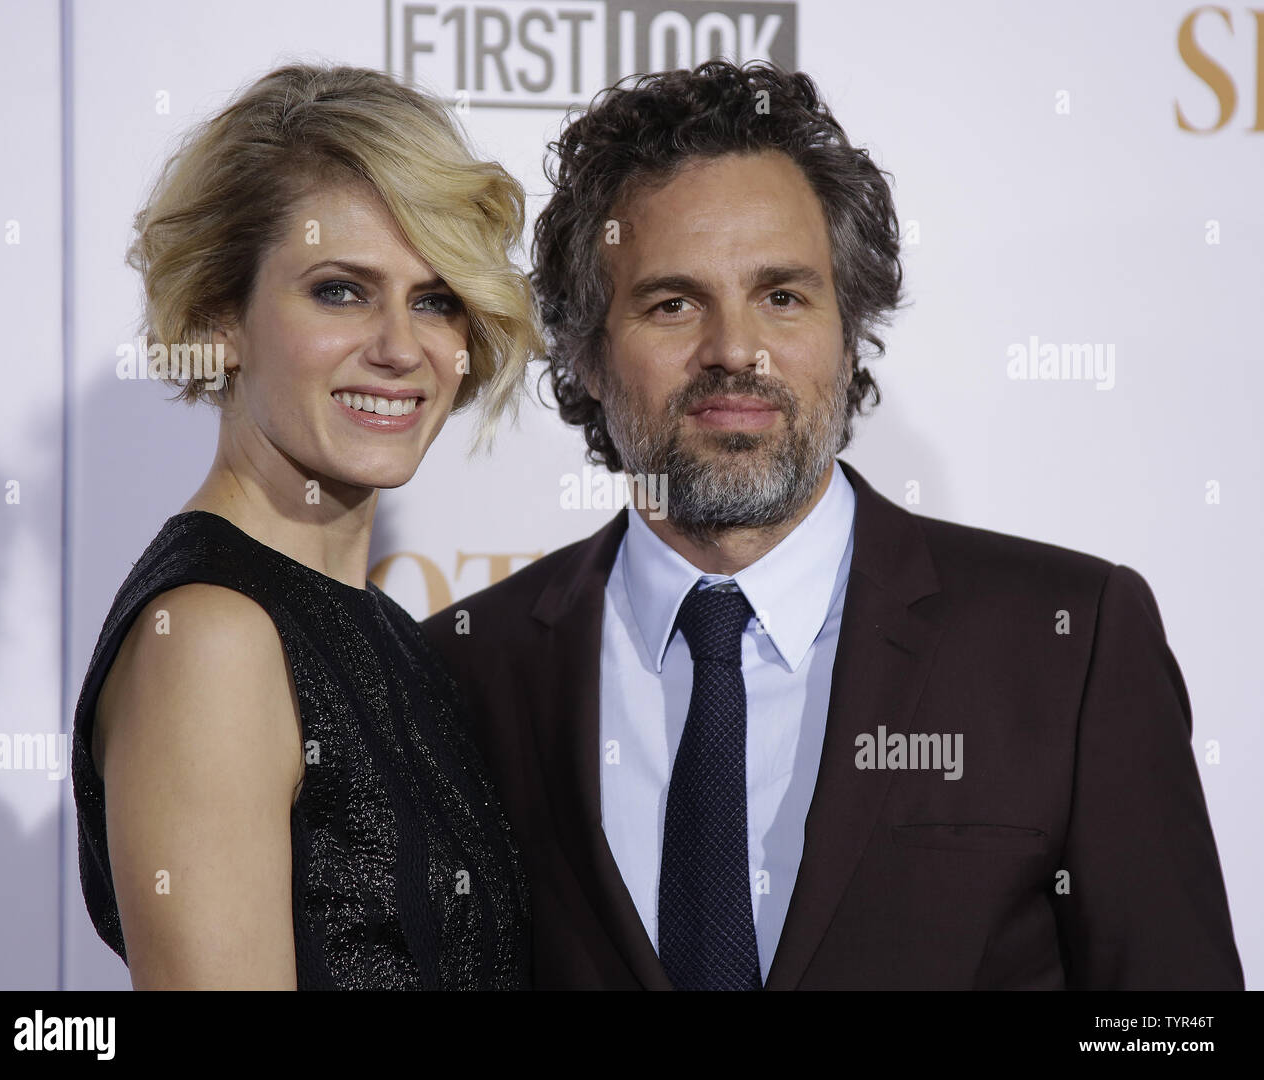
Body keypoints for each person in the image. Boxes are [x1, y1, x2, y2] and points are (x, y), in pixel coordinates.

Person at [422, 60, 1244, 990]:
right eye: (672, 303)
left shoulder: (1068, 641)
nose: (735, 351)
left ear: (851, 332)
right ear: (584, 352)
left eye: (783, 296)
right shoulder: (462, 670)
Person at [71, 64, 539, 989]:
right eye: (340, 290)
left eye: (435, 297)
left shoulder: (391, 639)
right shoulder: (211, 638)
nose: (401, 347)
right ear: (220, 318)